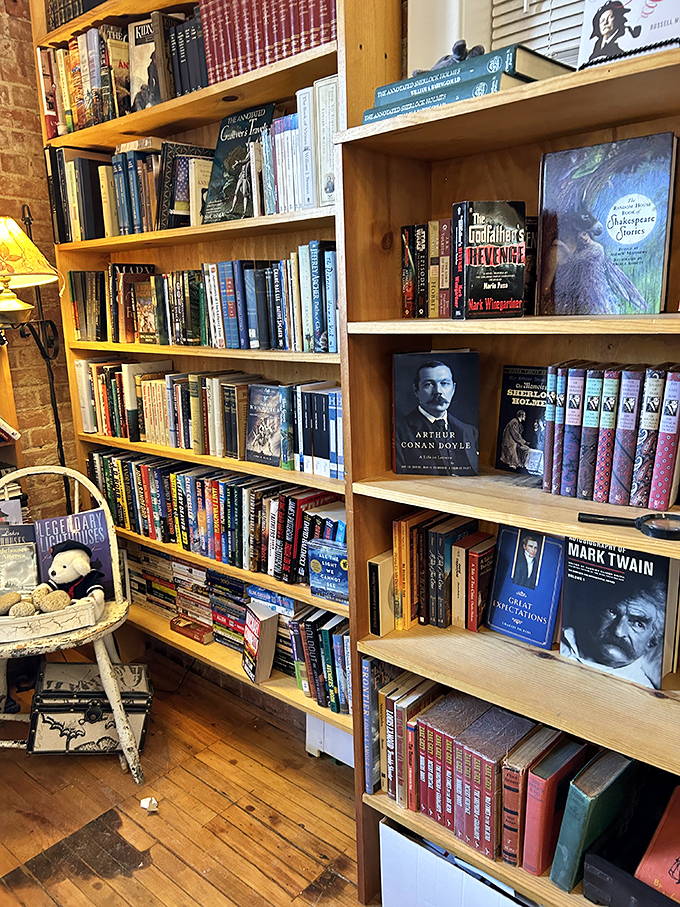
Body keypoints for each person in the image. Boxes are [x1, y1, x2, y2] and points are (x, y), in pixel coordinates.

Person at [561, 581, 666, 688]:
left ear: (652, 641)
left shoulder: (643, 690)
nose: (618, 631)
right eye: (612, 612)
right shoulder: (558, 640)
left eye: (638, 624)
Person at [394, 360, 478, 475]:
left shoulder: (469, 431)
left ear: (453, 389)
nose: (438, 391)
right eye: (429, 384)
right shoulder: (399, 431)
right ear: (416, 390)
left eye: (444, 383)